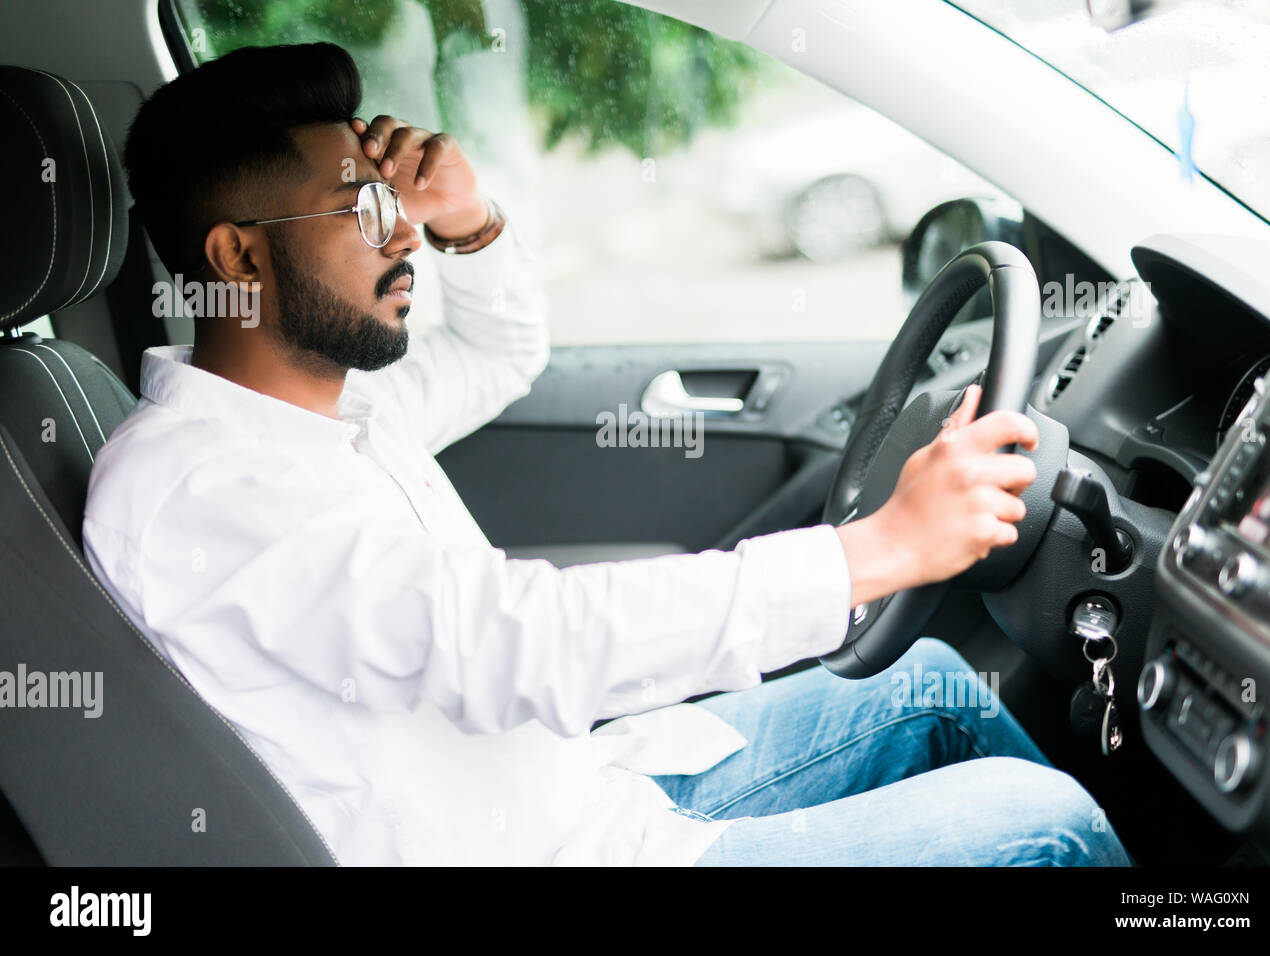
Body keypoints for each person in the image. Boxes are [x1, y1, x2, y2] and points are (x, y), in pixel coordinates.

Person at [82, 41, 1129, 866]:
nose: (399, 233)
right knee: (1041, 820)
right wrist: (875, 550)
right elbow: (505, 642)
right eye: (360, 206)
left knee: (934, 685)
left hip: (582, 793)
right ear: (238, 254)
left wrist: (472, 221)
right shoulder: (196, 484)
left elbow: (502, 349)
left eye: (390, 200)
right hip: (531, 853)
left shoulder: (329, 408)